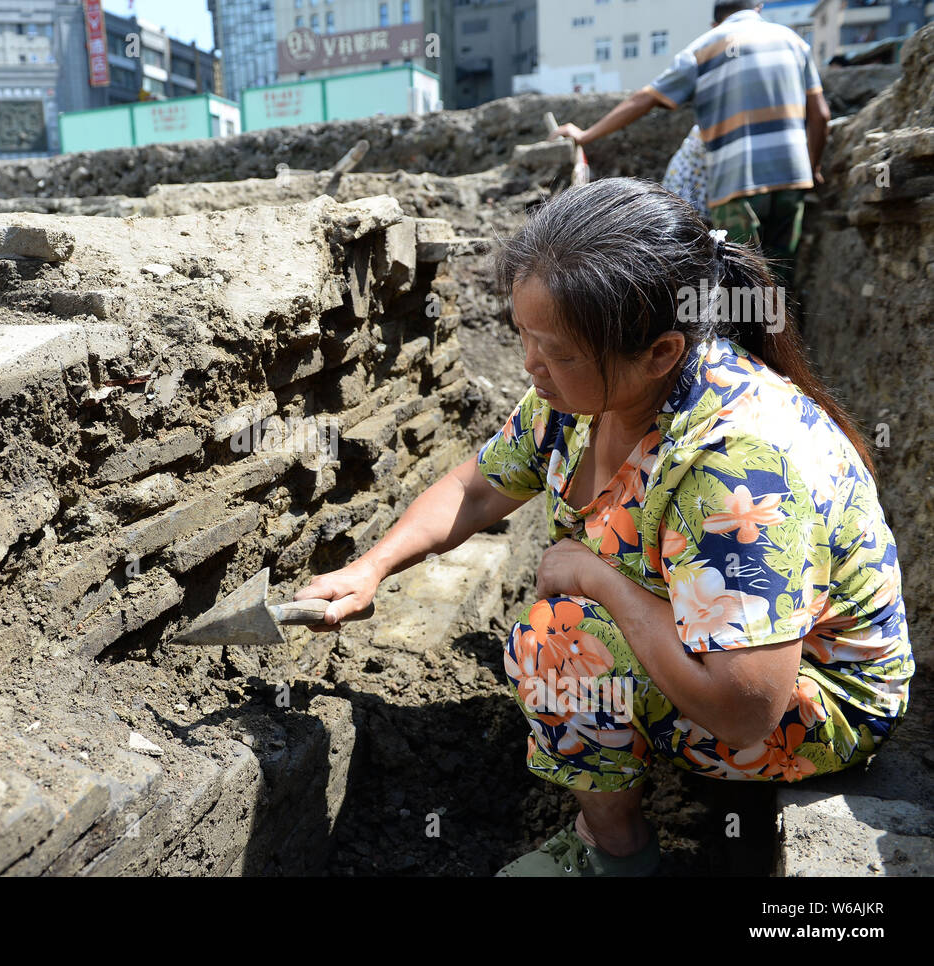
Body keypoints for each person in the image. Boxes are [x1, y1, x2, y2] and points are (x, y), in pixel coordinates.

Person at [294, 178, 912, 876]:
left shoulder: (736, 465)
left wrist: (599, 581)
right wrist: (370, 568)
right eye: (525, 339)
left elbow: (748, 712)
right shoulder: (577, 399)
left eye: (556, 351)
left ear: (660, 352)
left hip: (813, 705)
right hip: (718, 653)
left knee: (559, 643)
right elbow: (475, 489)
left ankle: (614, 851)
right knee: (569, 634)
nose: (531, 367)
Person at [549, 1, 830, 289]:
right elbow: (821, 114)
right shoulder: (793, 41)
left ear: (715, 23)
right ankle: (781, 331)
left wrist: (586, 135)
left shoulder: (704, 47)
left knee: (740, 281)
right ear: (757, 7)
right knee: (780, 280)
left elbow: (645, 98)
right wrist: (813, 166)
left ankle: (744, 334)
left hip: (737, 184)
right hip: (792, 178)